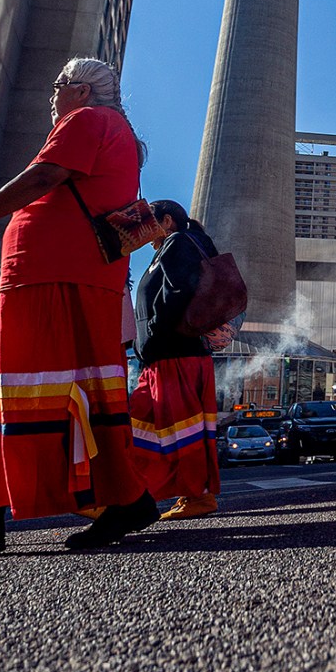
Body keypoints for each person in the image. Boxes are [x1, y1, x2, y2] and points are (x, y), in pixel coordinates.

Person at [0, 57, 158, 559]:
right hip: (68, 276)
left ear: (82, 92)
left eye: (59, 85)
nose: (52, 95)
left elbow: (42, 178)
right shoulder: (112, 130)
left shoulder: (86, 121)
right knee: (75, 391)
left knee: (22, 390)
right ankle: (123, 498)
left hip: (53, 278)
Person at [128, 201, 223, 518]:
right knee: (140, 428)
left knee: (181, 430)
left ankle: (197, 495)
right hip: (161, 358)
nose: (144, 234)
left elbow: (179, 289)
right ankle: (130, 494)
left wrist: (154, 328)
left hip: (175, 355)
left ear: (166, 221)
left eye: (149, 224)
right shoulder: (168, 247)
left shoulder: (178, 242)